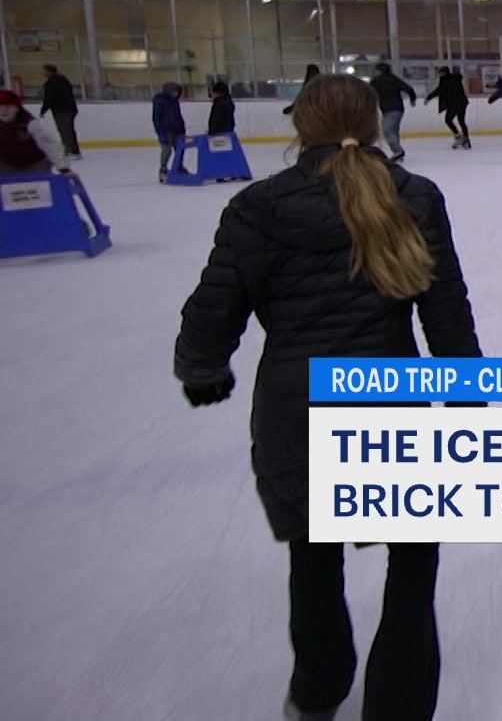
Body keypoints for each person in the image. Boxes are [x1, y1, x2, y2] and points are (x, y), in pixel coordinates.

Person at [173, 73, 481, 721]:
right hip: (389, 410)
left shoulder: (259, 207)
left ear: (300, 128)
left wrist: (204, 372)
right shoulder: (412, 195)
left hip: (297, 415)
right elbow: (445, 312)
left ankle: (317, 692)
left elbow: (211, 314)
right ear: (372, 125)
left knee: (313, 557)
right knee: (413, 562)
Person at [0, 89, 69, 175]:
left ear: (17, 108)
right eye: (0, 106)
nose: (3, 110)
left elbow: (51, 146)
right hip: (6, 166)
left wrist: (64, 168)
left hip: (35, 164)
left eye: (8, 106)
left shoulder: (30, 124)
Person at [368, 63, 416, 163]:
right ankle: (398, 153)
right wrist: (412, 99)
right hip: (399, 109)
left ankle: (397, 151)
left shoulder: (376, 81)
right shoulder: (394, 79)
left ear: (380, 71)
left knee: (388, 130)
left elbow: (367, 92)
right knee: (393, 131)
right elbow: (409, 89)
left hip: (388, 109)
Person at [39, 63, 80, 159]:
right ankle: (71, 150)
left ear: (49, 71)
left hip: (62, 110)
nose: (43, 73)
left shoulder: (53, 82)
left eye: (44, 71)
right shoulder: (62, 79)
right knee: (67, 130)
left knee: (65, 130)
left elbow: (50, 97)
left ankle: (71, 151)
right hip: (68, 108)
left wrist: (43, 109)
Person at [424, 67, 470, 150]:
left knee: (448, 120)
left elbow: (438, 90)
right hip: (462, 102)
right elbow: (459, 77)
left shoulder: (445, 81)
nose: (439, 75)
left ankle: (459, 137)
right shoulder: (455, 78)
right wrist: (429, 97)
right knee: (461, 121)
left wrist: (429, 97)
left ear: (445, 73)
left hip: (455, 104)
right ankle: (465, 139)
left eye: (441, 73)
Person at [152, 81, 187, 183]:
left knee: (180, 150)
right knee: (167, 151)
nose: (176, 94)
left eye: (177, 92)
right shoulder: (160, 101)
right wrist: (161, 132)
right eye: (175, 91)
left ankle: (179, 167)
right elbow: (156, 118)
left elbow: (178, 116)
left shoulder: (174, 101)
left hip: (177, 130)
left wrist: (182, 128)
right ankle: (163, 170)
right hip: (166, 131)